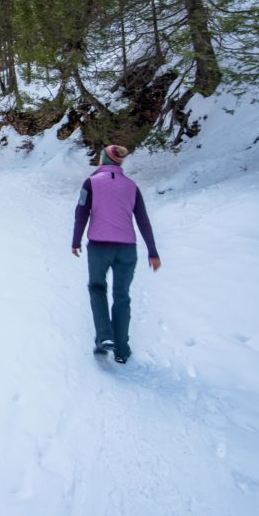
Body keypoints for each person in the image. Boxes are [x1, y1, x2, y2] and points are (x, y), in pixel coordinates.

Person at [71, 144, 161, 363]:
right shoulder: (132, 186)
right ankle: (121, 350)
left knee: (97, 288)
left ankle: (104, 337)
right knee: (122, 296)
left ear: (102, 159)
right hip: (126, 249)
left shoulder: (91, 182)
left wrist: (76, 240)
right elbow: (143, 219)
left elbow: (81, 212)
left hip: (99, 247)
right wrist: (152, 251)